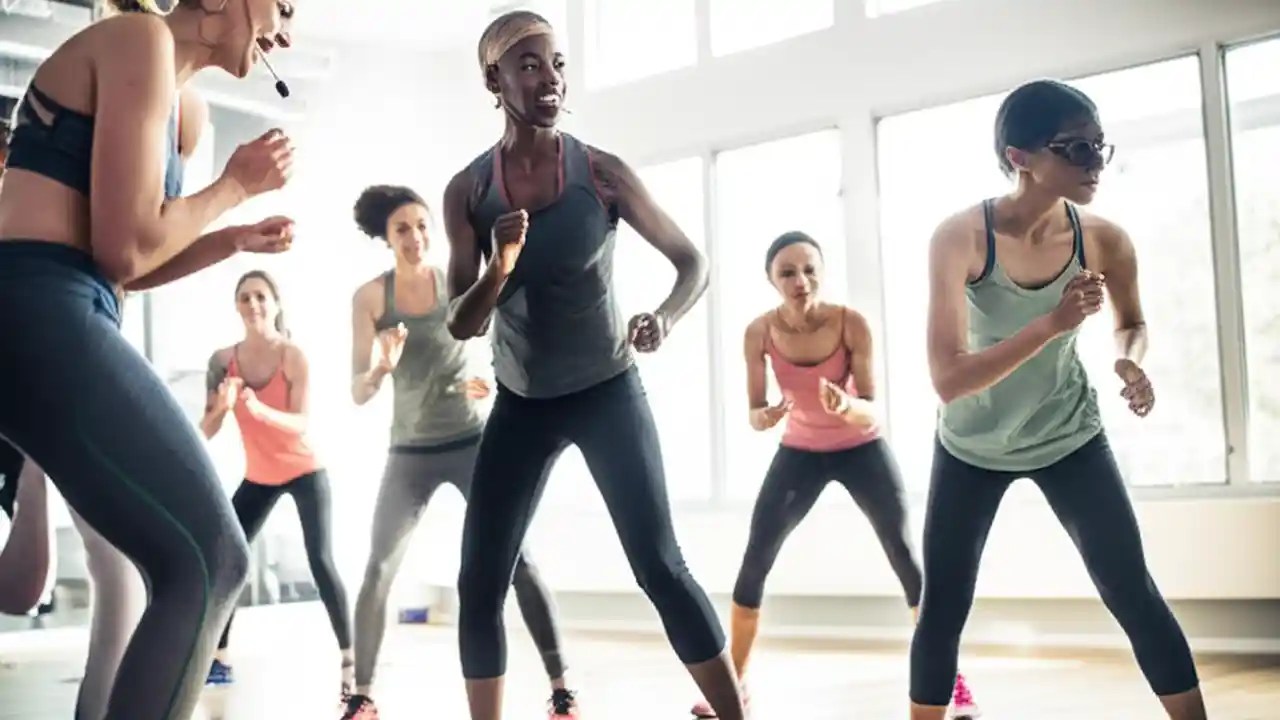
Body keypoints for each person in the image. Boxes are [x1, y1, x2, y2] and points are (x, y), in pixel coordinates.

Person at [0, 0, 300, 715]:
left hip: (63, 307)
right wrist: (232, 188)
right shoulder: (139, 39)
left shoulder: (184, 108)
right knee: (211, 559)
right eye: (283, 5)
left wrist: (232, 238)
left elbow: (126, 265)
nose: (287, 31)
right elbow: (123, 245)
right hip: (36, 303)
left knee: (177, 564)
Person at [445, 11, 745, 720]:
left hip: (608, 391)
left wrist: (663, 318)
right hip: (522, 403)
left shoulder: (601, 173)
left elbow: (692, 263)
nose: (549, 79)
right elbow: (463, 321)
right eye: (528, 65)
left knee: (661, 567)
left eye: (556, 64)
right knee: (480, 580)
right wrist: (500, 265)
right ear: (494, 80)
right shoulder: (467, 191)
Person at [908, 79, 1207, 720]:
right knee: (944, 607)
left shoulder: (1104, 238)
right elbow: (948, 378)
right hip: (971, 444)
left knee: (1131, 589)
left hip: (1069, 432)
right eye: (1075, 149)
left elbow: (1132, 320)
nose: (1095, 163)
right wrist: (1052, 324)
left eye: (1100, 147)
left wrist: (1129, 358)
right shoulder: (961, 237)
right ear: (1019, 156)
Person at [688, 231, 979, 719]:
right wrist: (771, 414)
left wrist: (847, 405)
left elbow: (873, 411)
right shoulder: (759, 332)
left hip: (860, 448)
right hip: (800, 450)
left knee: (907, 558)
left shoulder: (851, 323)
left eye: (809, 269)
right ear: (771, 280)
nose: (801, 280)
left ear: (821, 271)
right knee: (755, 558)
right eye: (787, 272)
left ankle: (951, 681)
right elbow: (755, 414)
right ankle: (733, 685)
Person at [341, 185, 576, 720]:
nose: (416, 237)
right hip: (409, 452)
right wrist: (381, 367)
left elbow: (497, 332)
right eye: (402, 229)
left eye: (422, 225)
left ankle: (562, 687)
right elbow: (357, 389)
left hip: (472, 442)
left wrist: (490, 381)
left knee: (519, 559)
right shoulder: (371, 298)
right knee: (379, 568)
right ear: (386, 237)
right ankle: (362, 696)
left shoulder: (454, 279)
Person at [200, 270, 354, 698]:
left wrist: (258, 409)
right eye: (245, 297)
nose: (254, 305)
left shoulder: (293, 356)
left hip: (305, 470)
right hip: (259, 476)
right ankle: (220, 659)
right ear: (236, 306)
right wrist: (225, 407)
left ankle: (350, 660)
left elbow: (302, 422)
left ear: (275, 303)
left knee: (321, 560)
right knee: (226, 558)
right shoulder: (220, 362)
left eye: (261, 297)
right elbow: (205, 430)